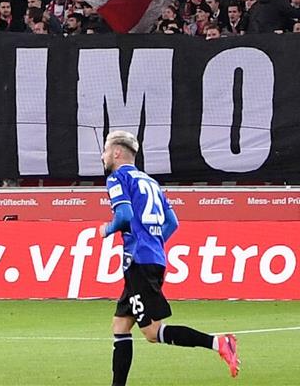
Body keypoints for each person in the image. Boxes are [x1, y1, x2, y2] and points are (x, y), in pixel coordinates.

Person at [103, 130, 240, 382]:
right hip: (150, 257)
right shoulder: (151, 183)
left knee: (152, 332)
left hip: (138, 261)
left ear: (116, 152)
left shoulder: (117, 178)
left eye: (104, 150)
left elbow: (123, 215)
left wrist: (107, 229)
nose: (102, 156)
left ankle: (219, 342)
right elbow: (172, 222)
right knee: (120, 326)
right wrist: (154, 242)